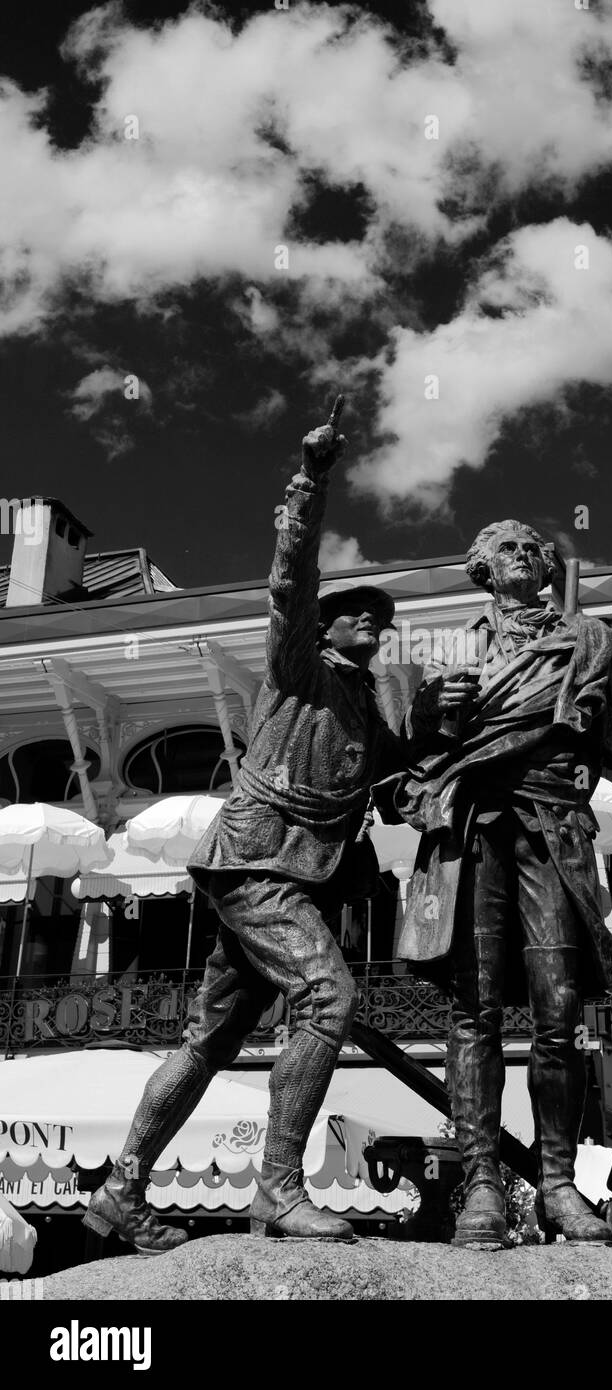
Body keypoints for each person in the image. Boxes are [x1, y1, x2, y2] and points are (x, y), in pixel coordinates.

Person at [84, 405, 472, 1254]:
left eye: (383, 616)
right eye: (358, 611)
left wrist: (438, 725)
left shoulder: (374, 706)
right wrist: (312, 479)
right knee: (328, 996)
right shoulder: (300, 665)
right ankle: (279, 1188)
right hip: (257, 860)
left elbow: (393, 776)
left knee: (212, 1037)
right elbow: (289, 578)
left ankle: (119, 1190)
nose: (374, 619)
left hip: (294, 876)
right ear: (325, 625)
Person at [392, 519, 612, 1248]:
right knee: (474, 1010)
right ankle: (482, 1181)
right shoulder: (452, 652)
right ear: (482, 571)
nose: (528, 555)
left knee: (558, 1014)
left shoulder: (590, 643)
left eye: (535, 548)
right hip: (474, 830)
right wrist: (429, 715)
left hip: (555, 828)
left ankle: (556, 1185)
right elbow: (411, 753)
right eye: (510, 548)